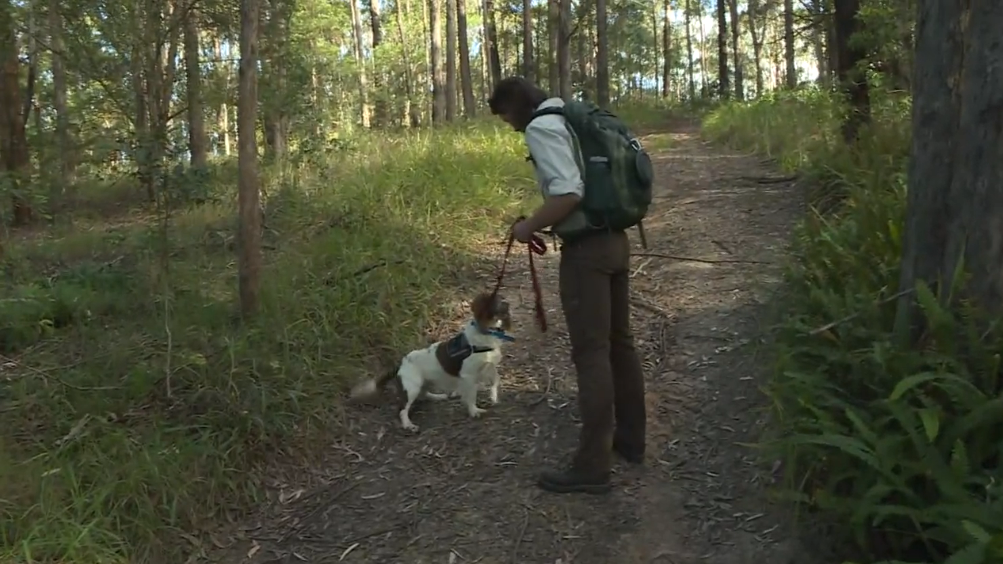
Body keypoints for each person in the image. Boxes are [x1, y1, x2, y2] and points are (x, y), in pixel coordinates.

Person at [488, 76, 647, 494]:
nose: (510, 127)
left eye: (505, 117)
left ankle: (593, 466)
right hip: (616, 238)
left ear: (514, 107)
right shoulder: (572, 115)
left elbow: (568, 193)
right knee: (619, 342)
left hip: (588, 252)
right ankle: (631, 439)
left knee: (591, 352)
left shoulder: (542, 126)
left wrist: (528, 226)